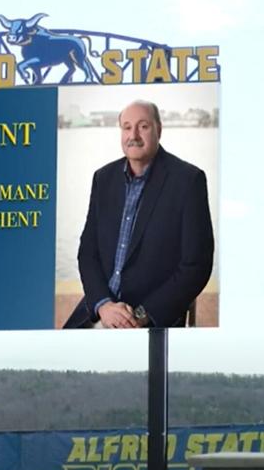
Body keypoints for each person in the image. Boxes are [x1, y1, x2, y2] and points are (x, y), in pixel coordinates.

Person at [63, 100, 214, 329]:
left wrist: (142, 315)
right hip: (102, 310)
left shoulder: (188, 181)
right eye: (126, 127)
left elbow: (196, 266)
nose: (133, 134)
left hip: (150, 317)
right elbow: (88, 252)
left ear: (159, 130)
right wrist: (103, 305)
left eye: (143, 126)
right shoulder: (103, 179)